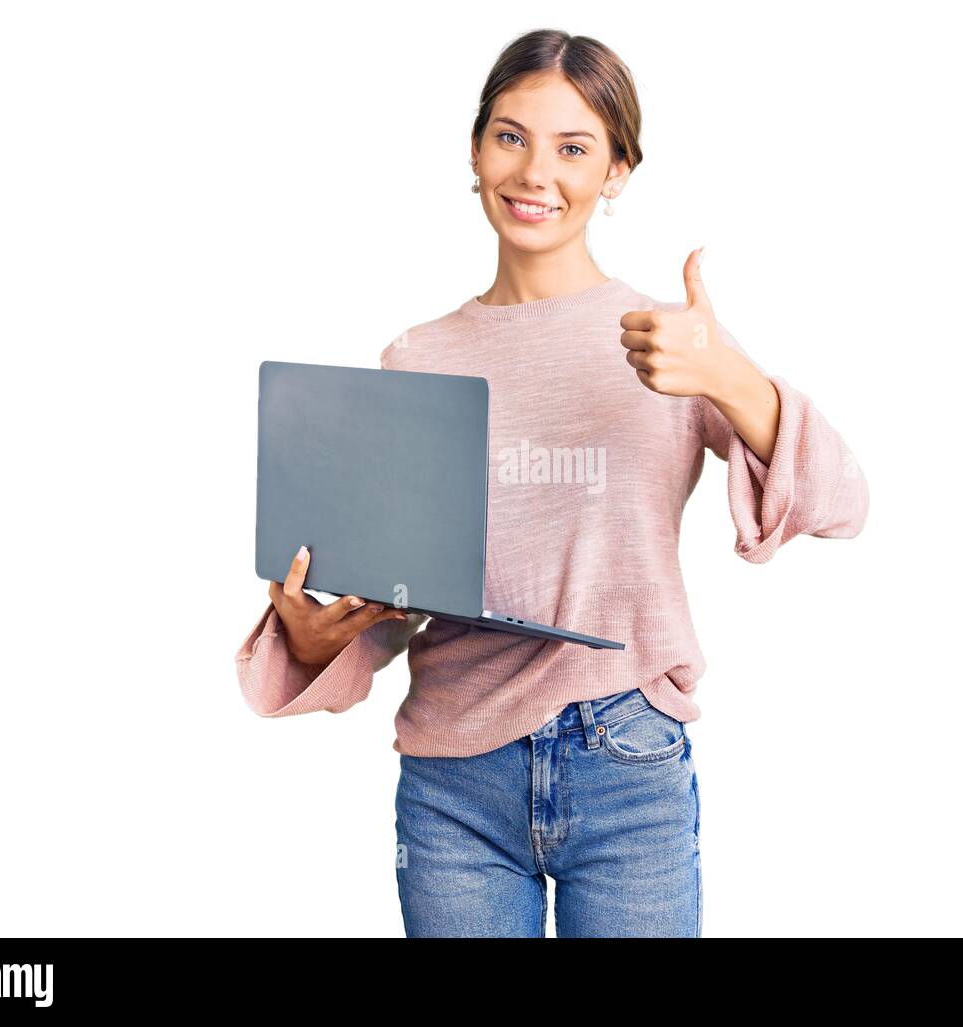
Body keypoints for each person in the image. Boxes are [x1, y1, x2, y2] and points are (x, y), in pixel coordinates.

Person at [234, 29, 869, 938]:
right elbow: (403, 595)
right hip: (455, 783)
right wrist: (307, 629)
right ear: (475, 148)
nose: (536, 172)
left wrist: (730, 375)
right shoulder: (417, 357)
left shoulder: (669, 340)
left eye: (575, 148)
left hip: (628, 761)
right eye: (511, 136)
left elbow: (842, 501)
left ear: (618, 170)